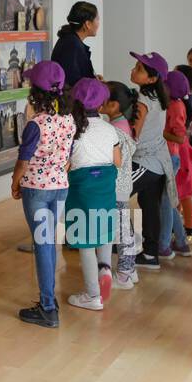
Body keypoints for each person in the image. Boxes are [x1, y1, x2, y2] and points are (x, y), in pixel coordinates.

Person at [12, 61, 77, 329]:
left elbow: (24, 160)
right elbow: (69, 156)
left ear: (35, 92)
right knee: (49, 242)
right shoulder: (69, 119)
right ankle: (50, 301)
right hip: (60, 187)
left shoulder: (35, 124)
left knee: (43, 244)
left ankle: (48, 307)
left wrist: (14, 183)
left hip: (36, 189)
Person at [64, 78, 122, 310]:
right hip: (106, 186)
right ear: (101, 105)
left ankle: (92, 295)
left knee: (85, 242)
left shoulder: (72, 129)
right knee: (105, 232)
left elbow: (67, 164)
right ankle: (105, 268)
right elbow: (117, 161)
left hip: (81, 188)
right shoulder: (110, 129)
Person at [128, 51, 173, 269]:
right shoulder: (157, 95)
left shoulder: (143, 99)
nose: (133, 70)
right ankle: (150, 254)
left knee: (113, 194)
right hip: (158, 161)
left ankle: (124, 242)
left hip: (146, 162)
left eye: (139, 69)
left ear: (152, 78)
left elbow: (134, 132)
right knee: (149, 206)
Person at [102, 82, 139, 288]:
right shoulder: (122, 123)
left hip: (116, 186)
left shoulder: (114, 130)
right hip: (122, 185)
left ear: (114, 105)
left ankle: (124, 274)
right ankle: (130, 269)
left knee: (121, 231)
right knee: (125, 228)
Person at [162, 68, 192, 255]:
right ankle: (180, 242)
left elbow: (180, 137)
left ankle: (164, 244)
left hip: (170, 156)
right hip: (167, 156)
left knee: (168, 202)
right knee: (169, 201)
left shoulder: (175, 106)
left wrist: (159, 133)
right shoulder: (172, 104)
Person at [50, 1, 99, 88]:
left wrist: (93, 79)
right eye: (97, 19)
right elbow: (73, 83)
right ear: (87, 24)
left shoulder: (70, 40)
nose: (98, 24)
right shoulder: (72, 45)